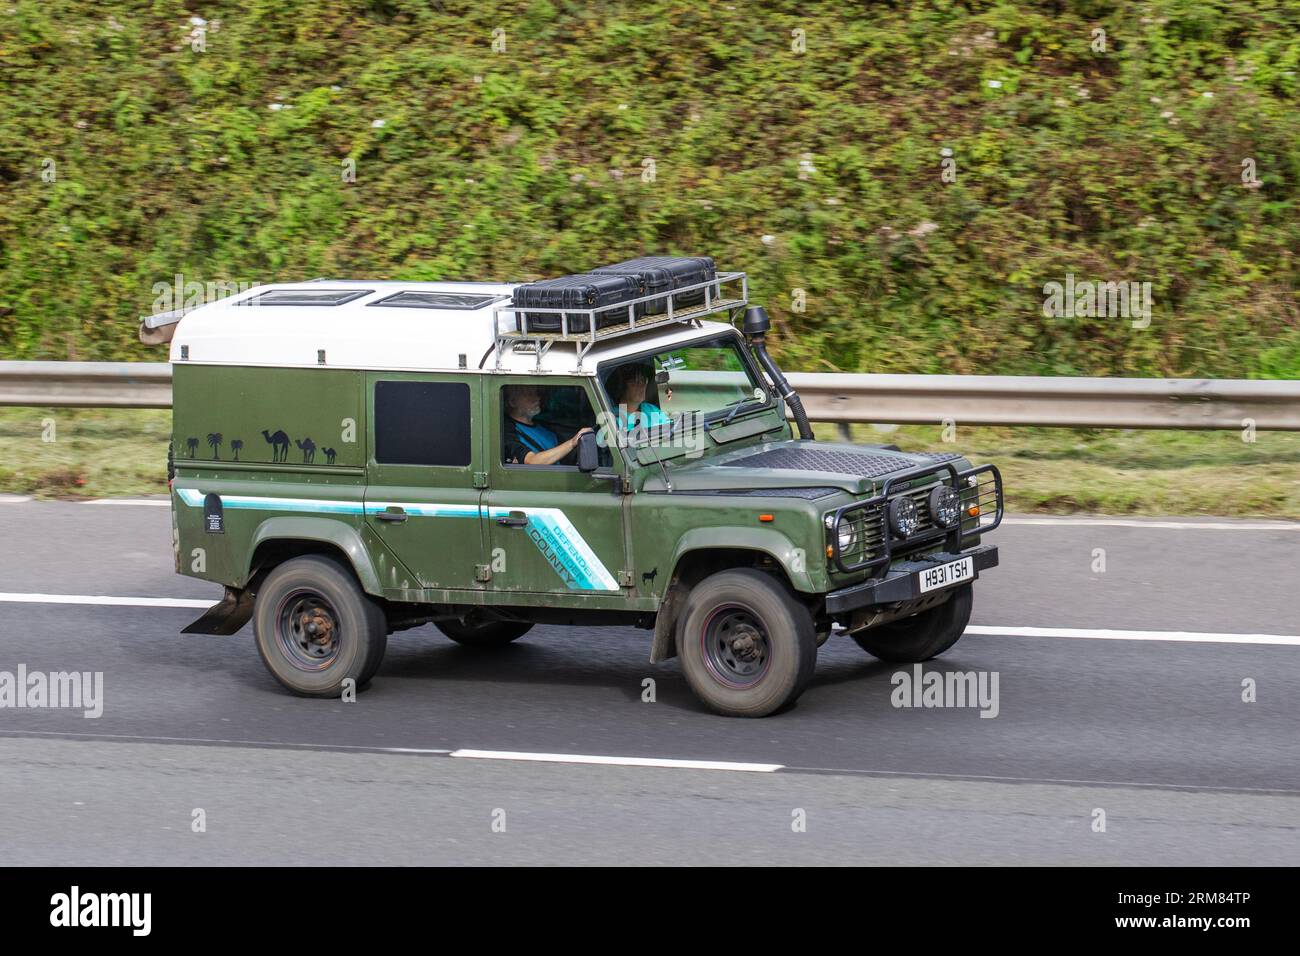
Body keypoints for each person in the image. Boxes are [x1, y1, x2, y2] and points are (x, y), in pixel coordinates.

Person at [502, 384, 592, 465]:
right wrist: (572, 442)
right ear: (512, 402)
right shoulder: (507, 431)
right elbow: (531, 461)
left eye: (536, 393)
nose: (537, 398)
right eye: (529, 394)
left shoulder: (545, 427)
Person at [607, 363, 672, 433]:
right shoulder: (612, 418)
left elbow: (672, 429)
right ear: (620, 386)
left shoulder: (651, 409)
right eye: (634, 382)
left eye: (643, 380)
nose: (641, 385)